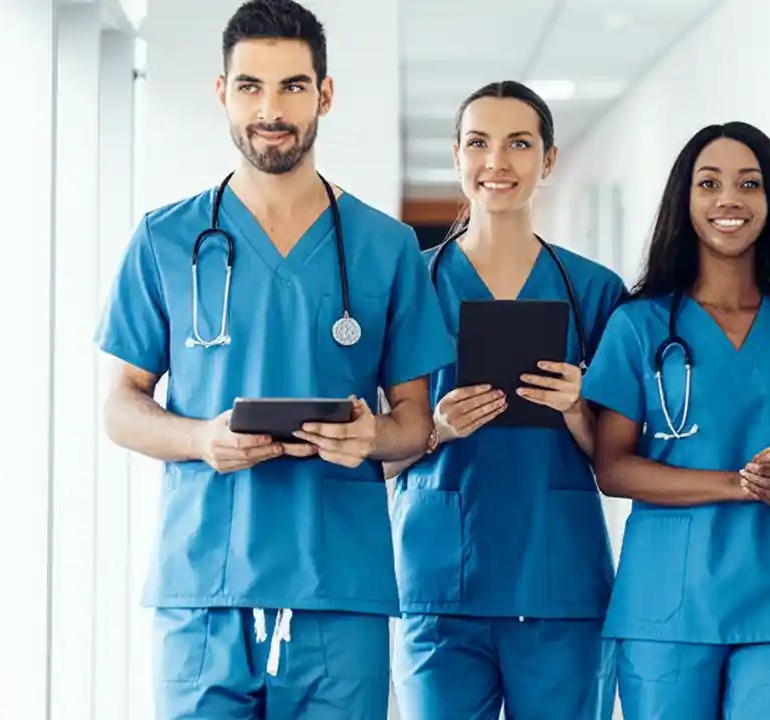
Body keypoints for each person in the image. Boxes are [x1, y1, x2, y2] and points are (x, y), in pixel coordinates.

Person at [96, 1, 453, 717]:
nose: (271, 109)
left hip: (338, 588)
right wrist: (201, 438)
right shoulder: (166, 239)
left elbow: (416, 421)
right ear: (222, 92)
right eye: (251, 86)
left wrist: (371, 436)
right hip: (205, 589)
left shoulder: (383, 248)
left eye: (292, 86)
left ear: (324, 94)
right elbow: (121, 406)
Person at [580, 121, 770, 719]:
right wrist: (737, 484)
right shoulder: (640, 327)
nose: (728, 199)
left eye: (749, 183)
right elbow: (613, 467)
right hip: (665, 602)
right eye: (709, 183)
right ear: (685, 202)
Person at [383, 81, 626, 720]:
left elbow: (624, 463)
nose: (498, 162)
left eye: (519, 143)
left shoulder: (596, 293)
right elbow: (362, 453)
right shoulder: (411, 286)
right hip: (439, 588)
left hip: (560, 586)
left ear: (548, 160)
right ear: (456, 157)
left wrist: (577, 408)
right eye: (479, 143)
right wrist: (431, 430)